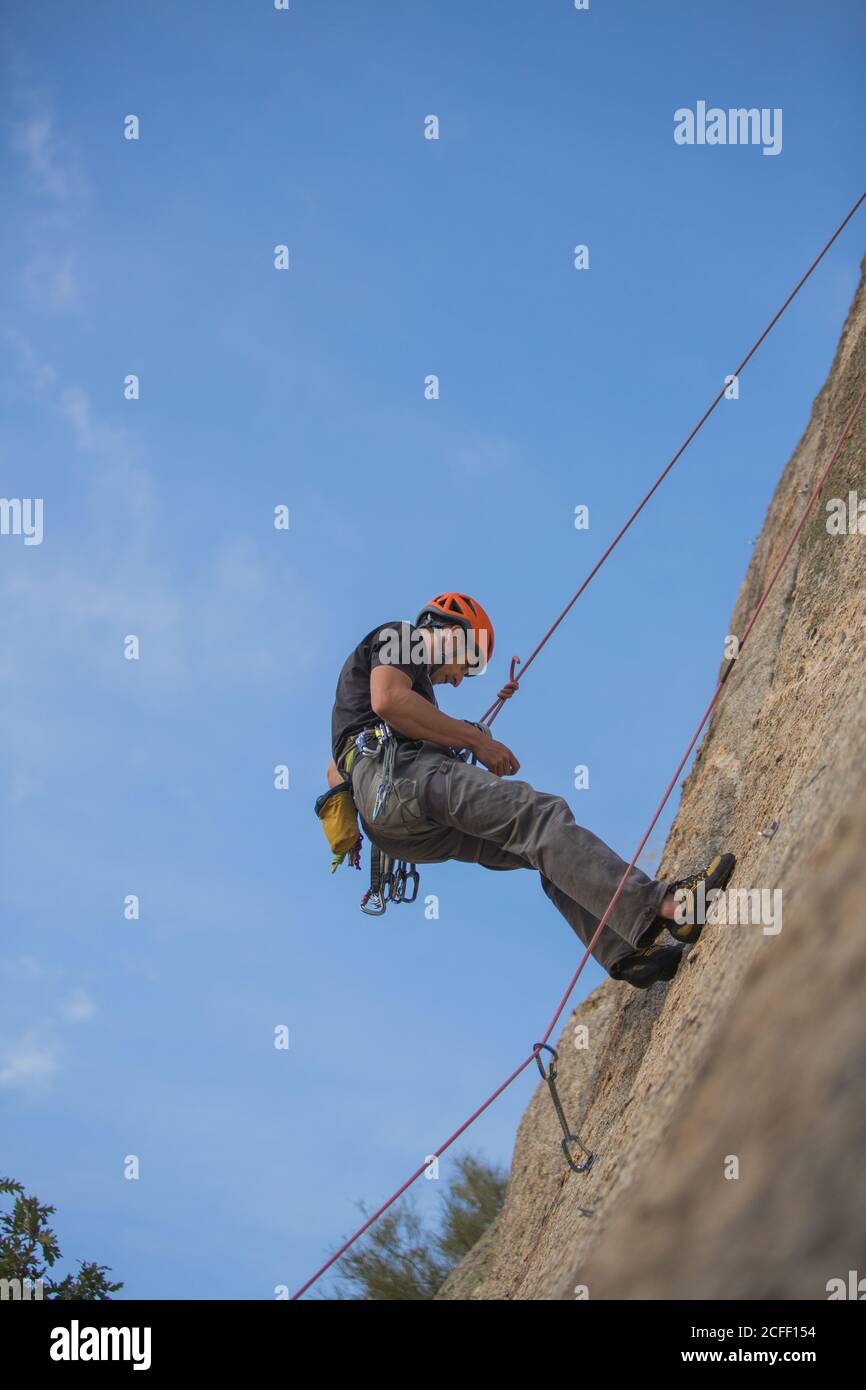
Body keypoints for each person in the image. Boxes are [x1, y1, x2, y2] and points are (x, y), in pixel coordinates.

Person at [327, 592, 735, 988]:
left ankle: (625, 952)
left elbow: (336, 770)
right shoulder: (402, 635)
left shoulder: (382, 701)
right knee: (538, 818)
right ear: (454, 634)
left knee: (538, 849)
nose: (458, 680)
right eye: (468, 665)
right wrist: (475, 741)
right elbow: (388, 700)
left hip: (396, 826)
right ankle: (673, 907)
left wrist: (460, 739)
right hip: (408, 781)